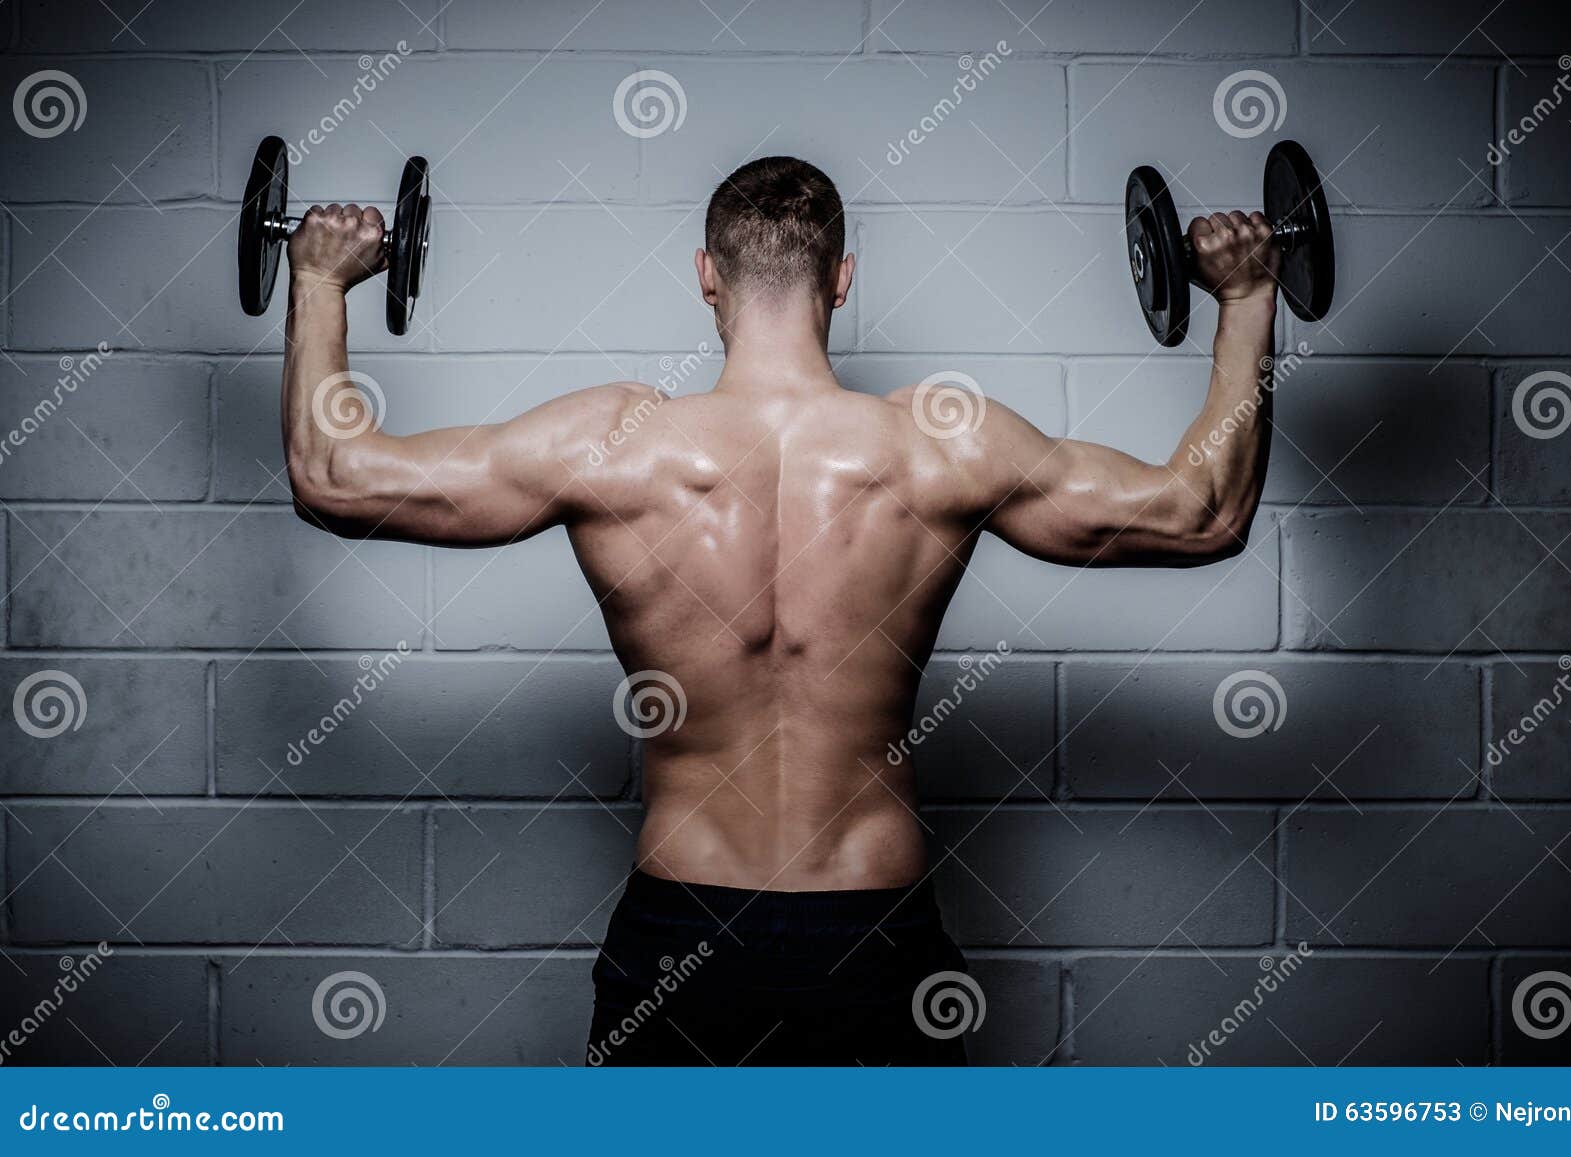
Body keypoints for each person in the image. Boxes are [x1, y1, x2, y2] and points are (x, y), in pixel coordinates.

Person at [280, 156, 1278, 1065]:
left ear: (704, 274)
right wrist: (1246, 294)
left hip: (681, 936)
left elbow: (335, 476)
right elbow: (1200, 512)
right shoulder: (943, 441)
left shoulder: (612, 442)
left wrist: (321, 277)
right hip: (877, 936)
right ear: (842, 278)